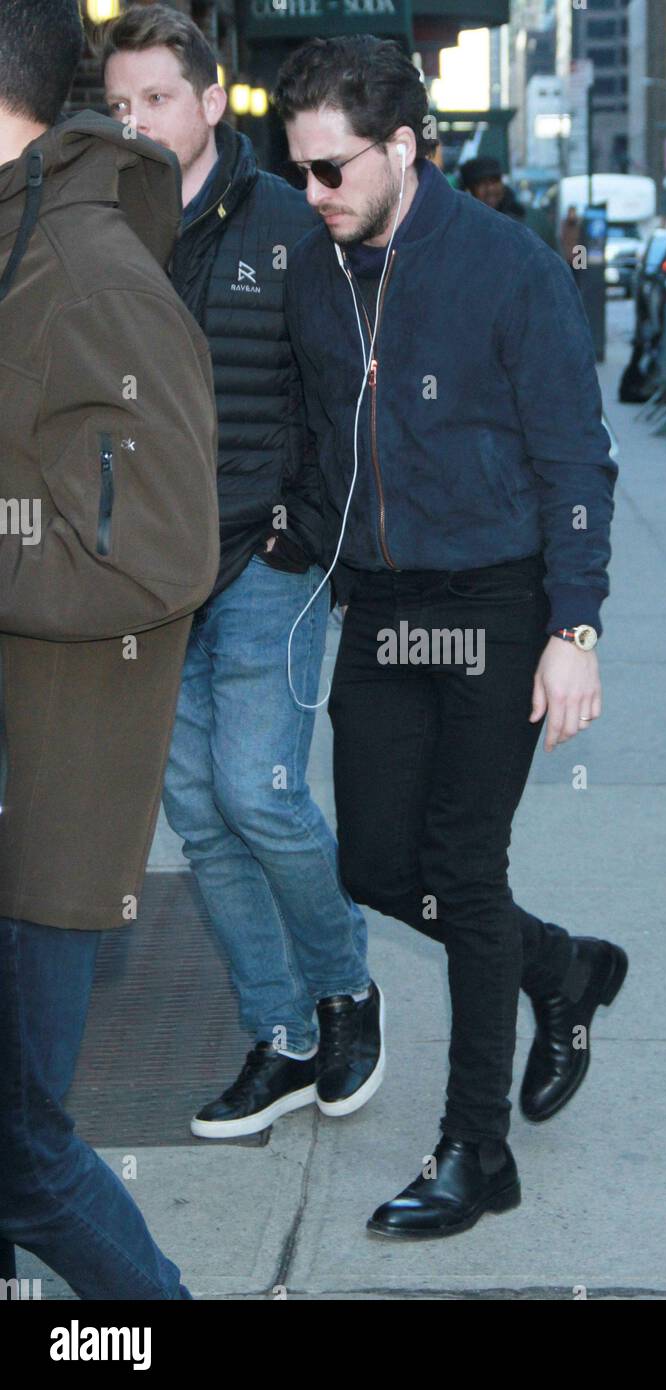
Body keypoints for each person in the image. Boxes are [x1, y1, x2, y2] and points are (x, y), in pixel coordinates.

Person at [275, 35, 628, 1239]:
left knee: (465, 869)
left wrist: (572, 624)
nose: (313, 193)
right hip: (380, 607)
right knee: (376, 863)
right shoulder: (317, 267)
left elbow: (577, 457)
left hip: (493, 603)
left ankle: (476, 1148)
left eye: (331, 171)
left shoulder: (508, 270)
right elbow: (321, 440)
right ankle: (557, 967)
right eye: (299, 169)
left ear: (403, 149)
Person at [100, 6, 381, 1141]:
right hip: (149, 577)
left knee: (258, 796)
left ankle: (344, 987)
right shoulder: (102, 226)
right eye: (117, 104)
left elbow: (345, 388)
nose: (137, 122)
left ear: (214, 101)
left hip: (267, 555)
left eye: (157, 98)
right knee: (196, 814)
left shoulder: (290, 220)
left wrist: (304, 526)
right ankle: (283, 1032)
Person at [0, 0, 219, 1298]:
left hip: (41, 821)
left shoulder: (82, 267)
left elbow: (157, 549)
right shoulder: (22, 244)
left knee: (24, 1160)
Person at [459, 154, 525, 220]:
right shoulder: (460, 221)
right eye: (483, 183)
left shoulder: (517, 217)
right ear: (469, 190)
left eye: (495, 181)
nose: (491, 188)